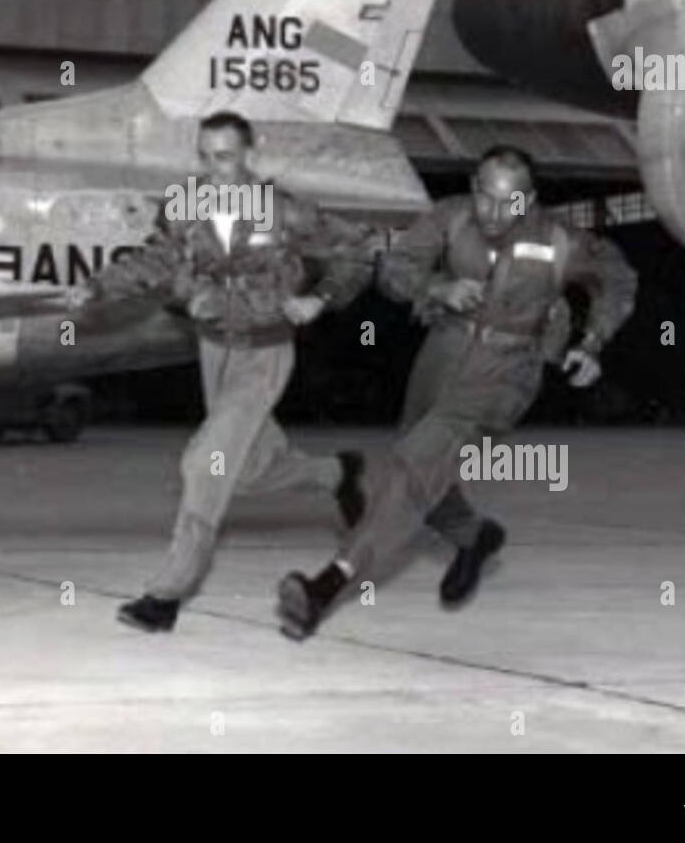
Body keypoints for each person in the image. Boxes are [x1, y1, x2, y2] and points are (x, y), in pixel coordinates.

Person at [276, 144, 638, 640]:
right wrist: (436, 289)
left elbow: (617, 278)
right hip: (442, 353)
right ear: (473, 190)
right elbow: (395, 271)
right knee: (425, 466)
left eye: (510, 202)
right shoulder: (448, 219)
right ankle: (475, 537)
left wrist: (593, 343)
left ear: (529, 200)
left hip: (506, 371)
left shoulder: (559, 240)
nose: (495, 213)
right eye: (486, 198)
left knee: (412, 469)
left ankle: (325, 586)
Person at [69, 110, 377, 632]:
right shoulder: (188, 204)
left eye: (227, 158)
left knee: (205, 463)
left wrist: (320, 299)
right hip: (214, 350)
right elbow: (156, 261)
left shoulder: (282, 210)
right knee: (250, 471)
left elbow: (358, 248)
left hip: (265, 353)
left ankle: (167, 595)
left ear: (251, 155)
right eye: (207, 158)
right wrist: (98, 287)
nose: (216, 170)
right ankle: (336, 473)